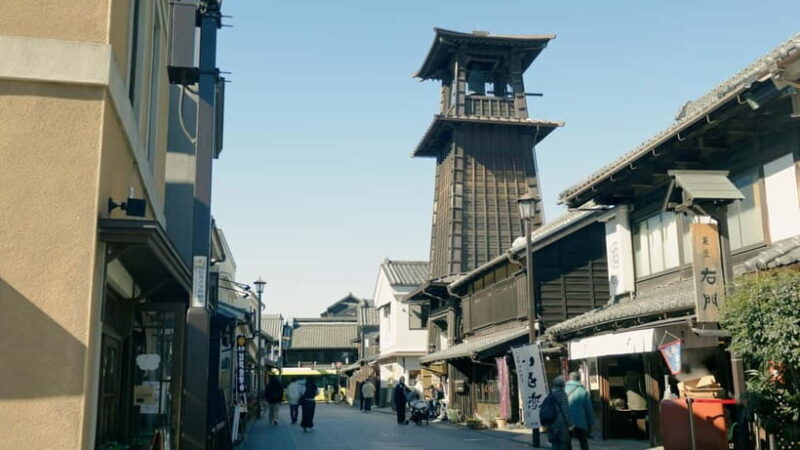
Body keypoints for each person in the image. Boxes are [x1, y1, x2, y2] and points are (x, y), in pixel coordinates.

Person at [566, 372, 594, 450]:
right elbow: (588, 409)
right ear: (579, 379)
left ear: (569, 378)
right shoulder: (583, 391)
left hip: (566, 422)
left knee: (567, 442)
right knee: (583, 442)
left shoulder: (563, 389)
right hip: (581, 422)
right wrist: (590, 423)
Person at [546, 376, 574, 450]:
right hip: (561, 423)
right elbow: (565, 410)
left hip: (551, 423)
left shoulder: (550, 394)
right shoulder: (562, 394)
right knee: (562, 443)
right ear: (562, 385)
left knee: (554, 444)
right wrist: (570, 424)